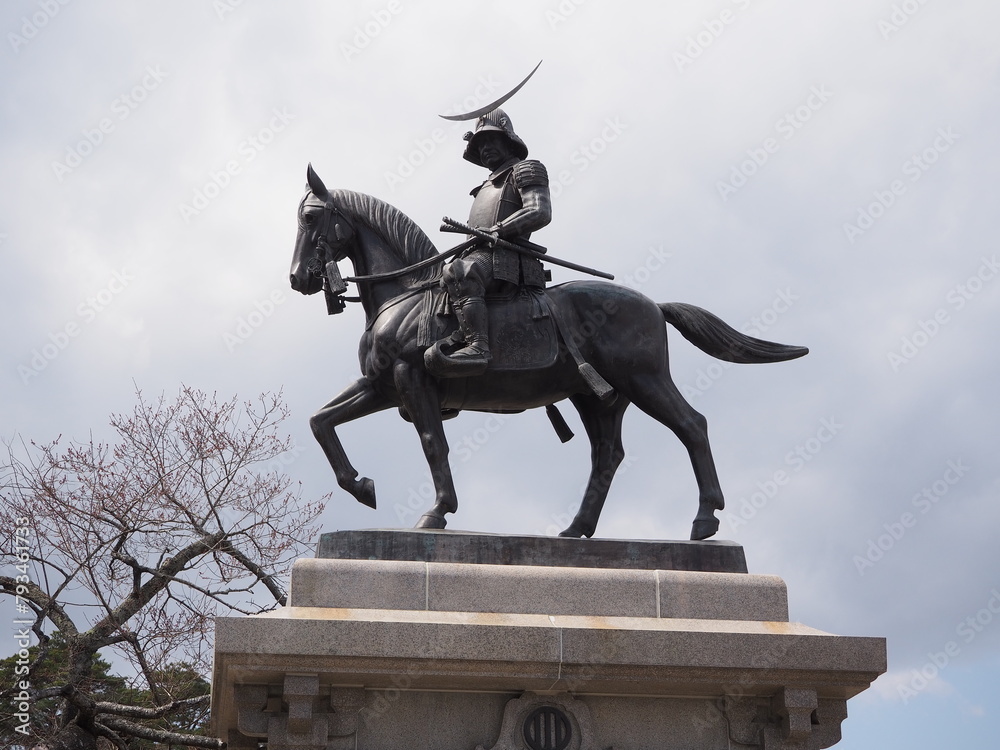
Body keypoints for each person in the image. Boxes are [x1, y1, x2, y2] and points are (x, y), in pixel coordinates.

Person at [439, 108, 552, 371]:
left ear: (508, 141)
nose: (485, 148)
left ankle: (478, 346)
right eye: (480, 144)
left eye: (491, 140)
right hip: (478, 254)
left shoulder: (525, 169)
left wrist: (498, 230)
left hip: (506, 257)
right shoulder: (485, 186)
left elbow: (539, 211)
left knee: (460, 272)